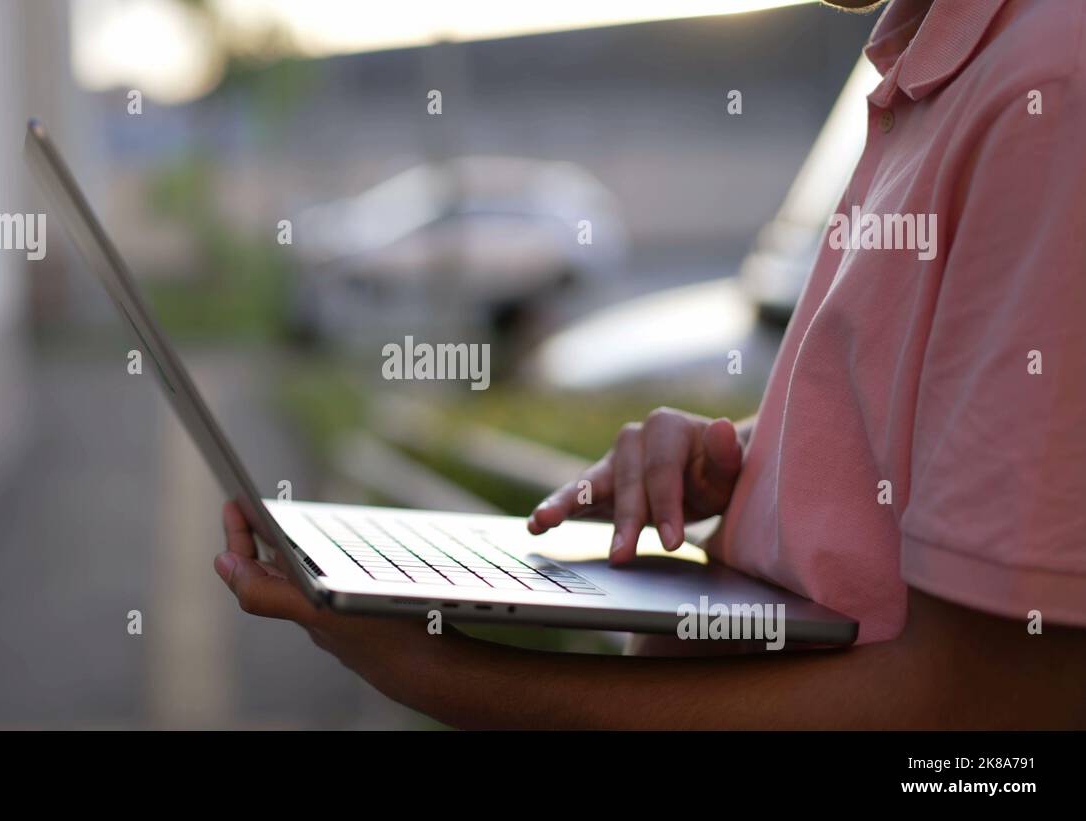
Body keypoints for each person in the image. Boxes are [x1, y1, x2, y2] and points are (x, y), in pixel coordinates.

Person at [213, 0, 1086, 729]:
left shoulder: (1049, 88)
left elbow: (991, 709)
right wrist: (758, 459)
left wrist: (442, 673)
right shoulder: (947, 62)